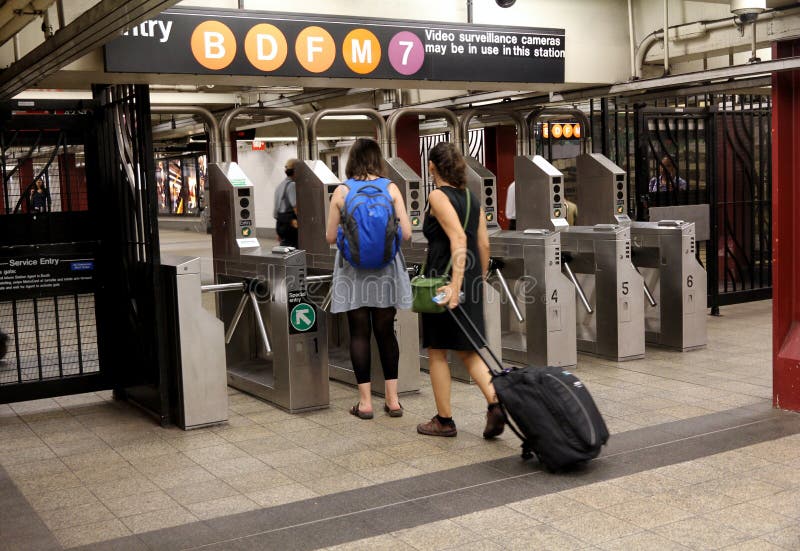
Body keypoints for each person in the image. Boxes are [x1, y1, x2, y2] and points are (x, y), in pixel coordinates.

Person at [416, 142, 506, 439]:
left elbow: (458, 238)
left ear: (432, 166)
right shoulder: (471, 198)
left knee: (437, 350)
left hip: (444, 283)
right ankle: (495, 403)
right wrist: (475, 279)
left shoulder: (437, 196)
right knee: (468, 350)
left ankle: (444, 420)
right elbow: (484, 244)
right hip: (469, 279)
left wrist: (454, 286)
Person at [325, 138, 412, 419]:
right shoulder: (391, 189)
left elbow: (329, 237)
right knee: (386, 332)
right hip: (387, 270)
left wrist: (347, 235)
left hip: (352, 271)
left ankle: (365, 403)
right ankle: (393, 400)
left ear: (352, 160)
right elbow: (407, 233)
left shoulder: (341, 191)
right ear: (377, 159)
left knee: (359, 333)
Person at [274, 158, 299, 248]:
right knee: (295, 250)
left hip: (281, 224)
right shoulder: (292, 185)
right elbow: (296, 207)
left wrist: (278, 232)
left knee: (285, 250)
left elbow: (275, 212)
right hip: (291, 226)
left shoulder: (280, 186)